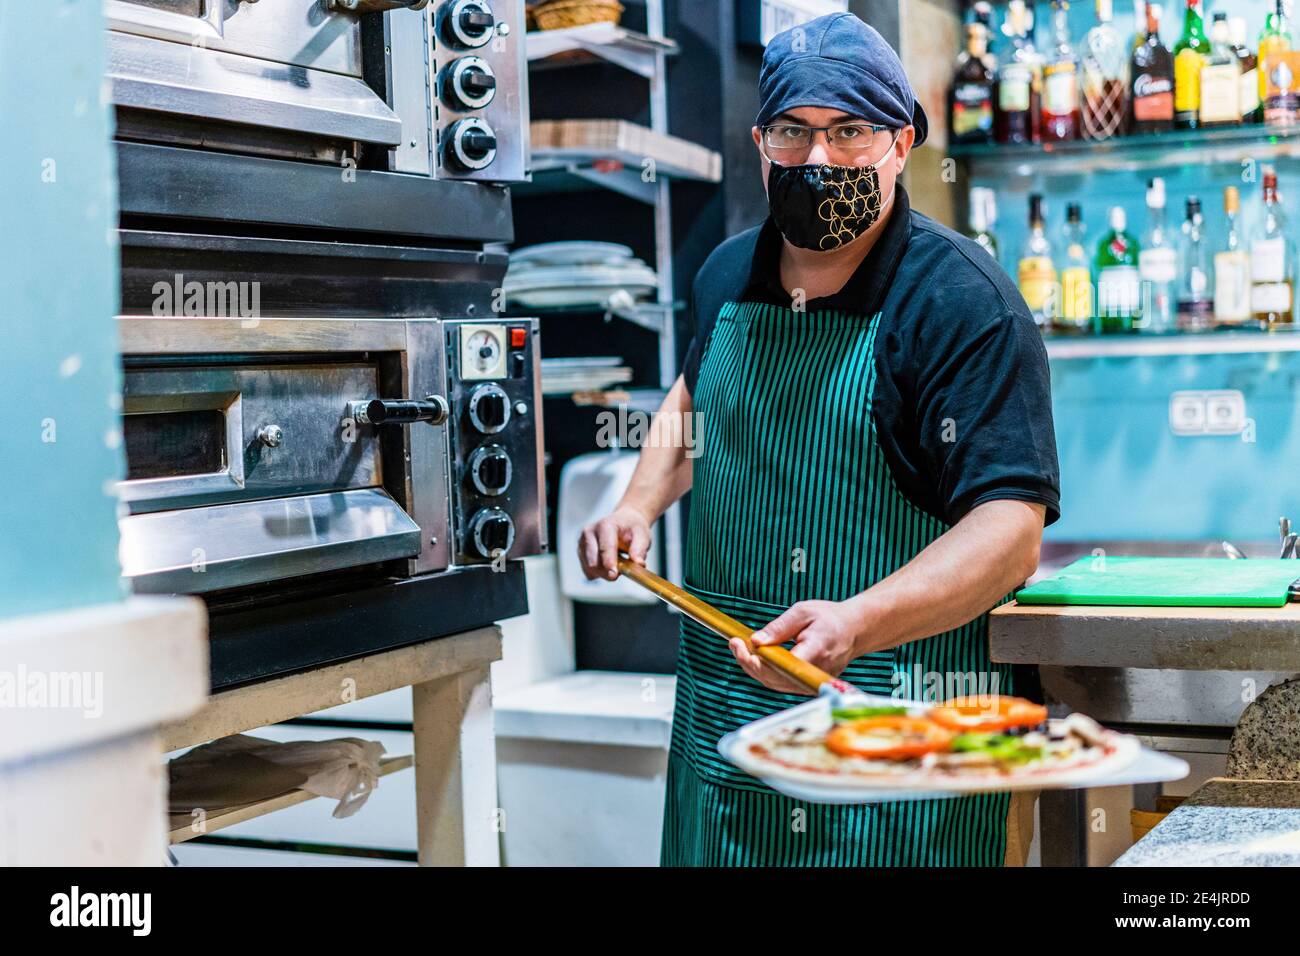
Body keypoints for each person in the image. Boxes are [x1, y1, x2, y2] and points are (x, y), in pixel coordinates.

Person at [578, 12, 1060, 867]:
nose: (818, 160)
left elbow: (1010, 531)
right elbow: (697, 398)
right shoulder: (727, 272)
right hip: (725, 728)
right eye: (793, 133)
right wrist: (638, 502)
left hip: (894, 735)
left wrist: (859, 622)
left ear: (901, 140)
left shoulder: (962, 301)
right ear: (761, 143)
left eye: (850, 132)